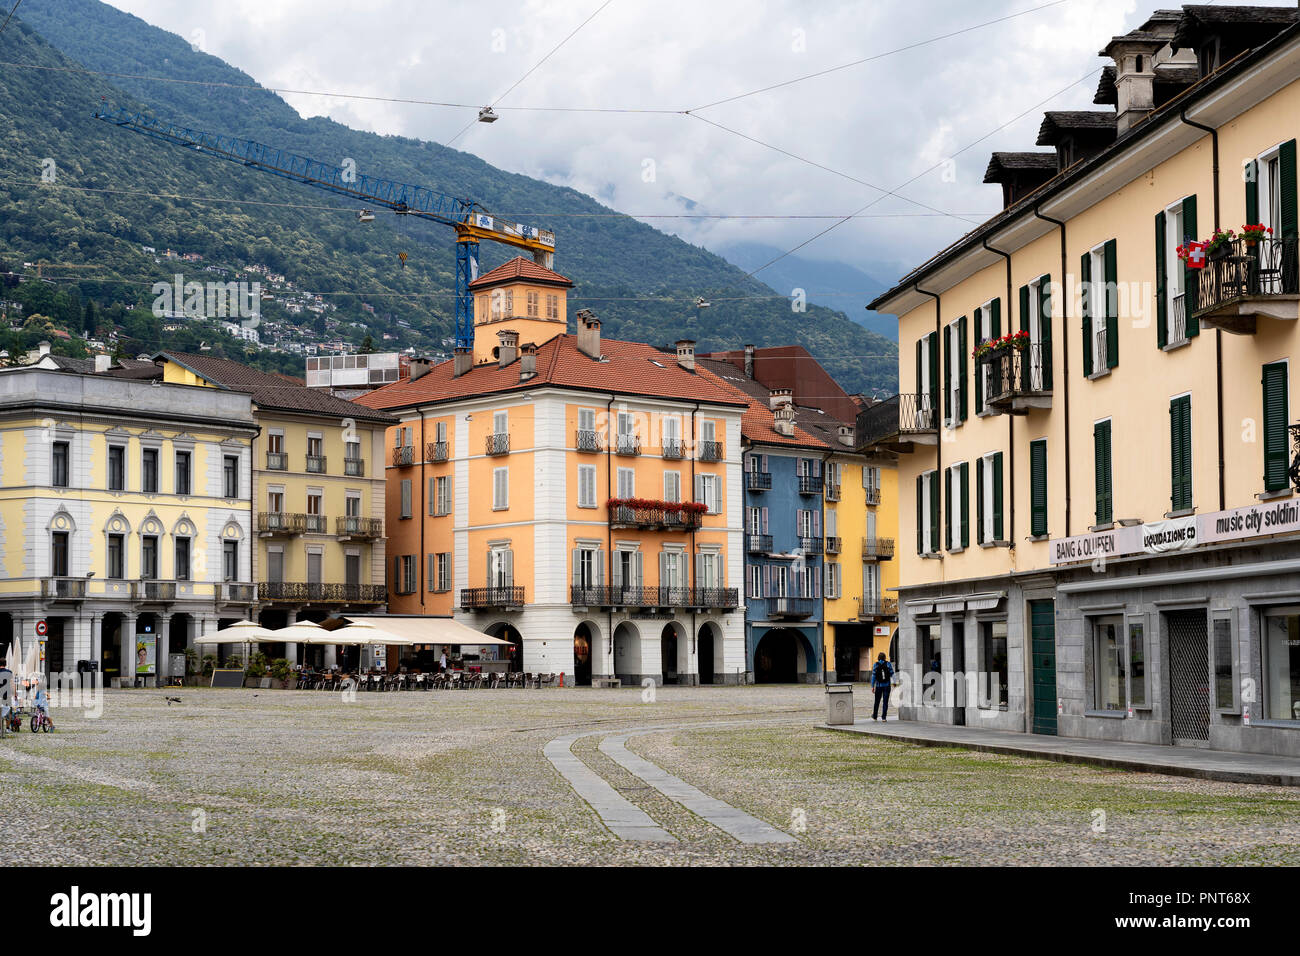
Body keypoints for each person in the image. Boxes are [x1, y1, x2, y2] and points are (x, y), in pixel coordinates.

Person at [871, 652, 894, 721]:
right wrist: (894, 682)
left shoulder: (875, 665)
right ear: (885, 657)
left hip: (878, 686)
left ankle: (875, 716)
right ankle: (884, 717)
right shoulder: (888, 664)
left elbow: (873, 676)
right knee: (885, 702)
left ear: (878, 658)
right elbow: (892, 673)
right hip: (887, 686)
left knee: (877, 701)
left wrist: (872, 686)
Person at [0, 658, 11, 738]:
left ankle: (1, 729)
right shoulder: (9, 672)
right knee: (7, 711)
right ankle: (6, 728)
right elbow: (12, 684)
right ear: (5, 664)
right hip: (6, 695)